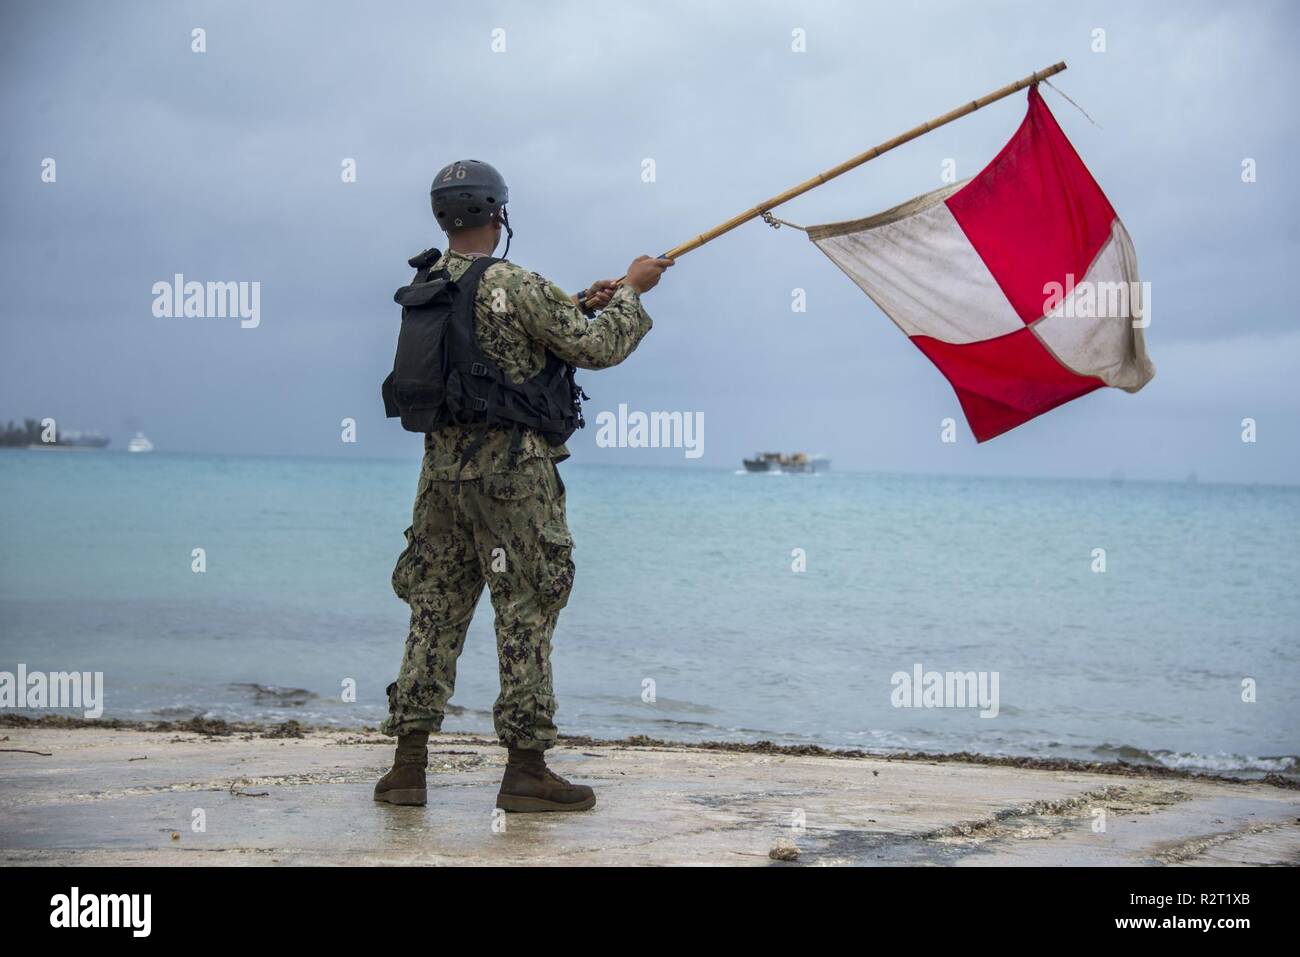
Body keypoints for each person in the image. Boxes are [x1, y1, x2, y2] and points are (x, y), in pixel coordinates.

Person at [375, 159, 673, 812]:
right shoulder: (516, 280)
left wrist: (578, 302)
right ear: (498, 213)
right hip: (512, 474)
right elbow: (596, 350)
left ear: (443, 216)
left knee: (436, 608)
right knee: (528, 605)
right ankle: (526, 769)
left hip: (441, 476)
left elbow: (490, 339)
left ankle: (406, 767)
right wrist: (632, 292)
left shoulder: (429, 281)